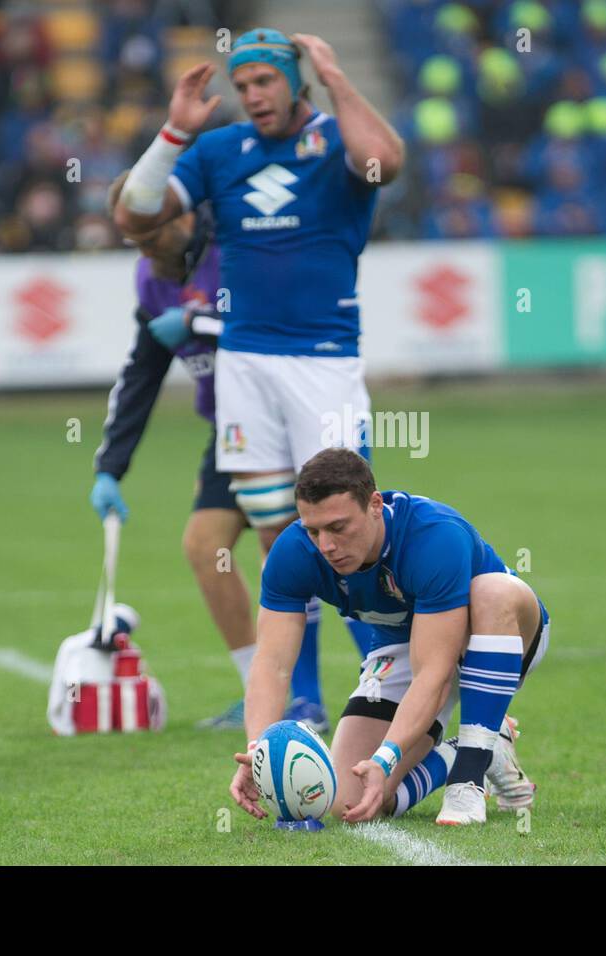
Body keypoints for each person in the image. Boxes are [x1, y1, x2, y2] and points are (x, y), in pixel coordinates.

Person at [112, 29, 402, 725]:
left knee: (351, 534)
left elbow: (384, 163)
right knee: (281, 536)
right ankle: (302, 698)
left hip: (323, 361)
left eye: (264, 83)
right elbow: (134, 214)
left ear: (294, 81)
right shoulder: (218, 151)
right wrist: (175, 134)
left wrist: (338, 80)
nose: (252, 97)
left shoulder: (334, 140)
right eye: (242, 88)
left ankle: (388, 684)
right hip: (246, 364)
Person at [91, 174, 331, 730]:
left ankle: (309, 698)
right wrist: (110, 468)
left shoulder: (236, 252)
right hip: (230, 433)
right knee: (205, 547)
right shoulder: (151, 280)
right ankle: (259, 691)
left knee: (287, 549)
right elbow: (142, 373)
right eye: (135, 242)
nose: (147, 253)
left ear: (180, 214)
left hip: (285, 422)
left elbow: (274, 327)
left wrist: (199, 322)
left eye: (151, 236)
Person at [228, 448, 547, 827]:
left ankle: (469, 775)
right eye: (314, 530)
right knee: (347, 800)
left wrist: (388, 756)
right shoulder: (294, 552)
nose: (326, 546)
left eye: (338, 527)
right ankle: (486, 748)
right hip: (406, 644)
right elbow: (272, 663)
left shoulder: (433, 536)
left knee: (491, 590)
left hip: (499, 632)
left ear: (375, 504)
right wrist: (258, 751)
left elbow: (435, 673)